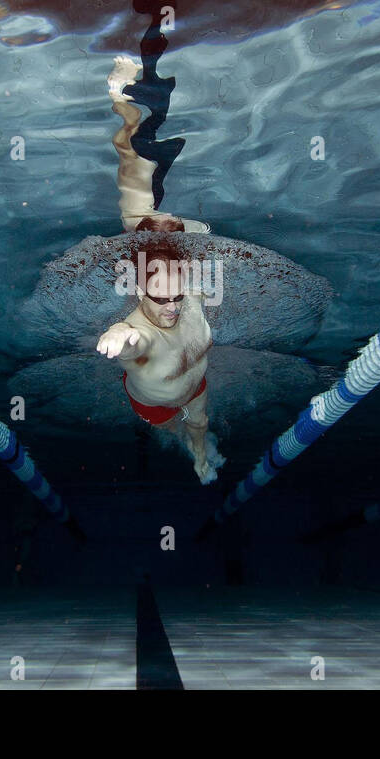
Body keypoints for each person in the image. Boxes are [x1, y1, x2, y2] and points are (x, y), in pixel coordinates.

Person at [96, 240, 223, 484]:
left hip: (196, 389)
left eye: (177, 296)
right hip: (154, 404)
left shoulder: (190, 298)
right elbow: (132, 339)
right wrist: (118, 332)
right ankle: (181, 437)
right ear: (141, 294)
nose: (173, 308)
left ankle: (199, 455)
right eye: (162, 300)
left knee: (199, 424)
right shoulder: (139, 334)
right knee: (174, 428)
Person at [108, 55, 211, 235]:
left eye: (169, 217)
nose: (170, 214)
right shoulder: (134, 223)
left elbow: (202, 229)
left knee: (134, 121)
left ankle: (115, 88)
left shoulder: (134, 215)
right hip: (142, 167)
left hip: (138, 157)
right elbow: (200, 228)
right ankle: (139, 85)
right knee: (152, 120)